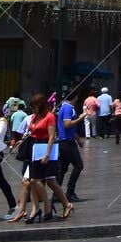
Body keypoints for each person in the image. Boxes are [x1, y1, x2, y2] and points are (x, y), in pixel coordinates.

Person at [24, 95, 72, 223]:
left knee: (36, 180)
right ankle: (37, 209)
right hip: (34, 149)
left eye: (33, 107)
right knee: (37, 181)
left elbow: (51, 136)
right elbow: (32, 130)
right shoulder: (35, 117)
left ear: (40, 105)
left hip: (44, 149)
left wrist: (47, 154)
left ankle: (47, 206)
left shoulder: (49, 116)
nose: (32, 110)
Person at [53, 88, 85, 201]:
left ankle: (56, 194)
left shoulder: (64, 107)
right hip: (67, 143)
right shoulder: (68, 108)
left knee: (62, 168)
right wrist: (81, 118)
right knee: (78, 165)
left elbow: (68, 129)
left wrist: (78, 139)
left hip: (64, 140)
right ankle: (70, 192)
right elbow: (67, 124)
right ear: (75, 97)